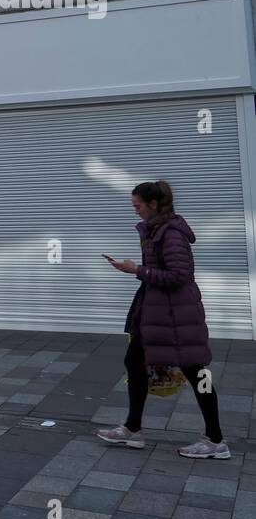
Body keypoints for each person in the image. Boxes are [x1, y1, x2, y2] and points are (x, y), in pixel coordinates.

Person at [97, 180, 228, 460]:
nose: (135, 211)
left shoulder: (171, 234)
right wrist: (135, 270)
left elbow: (179, 276)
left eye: (138, 206)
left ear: (153, 204)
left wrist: (138, 270)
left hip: (176, 315)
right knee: (134, 361)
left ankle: (216, 440)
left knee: (196, 371)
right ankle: (133, 429)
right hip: (156, 312)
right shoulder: (155, 230)